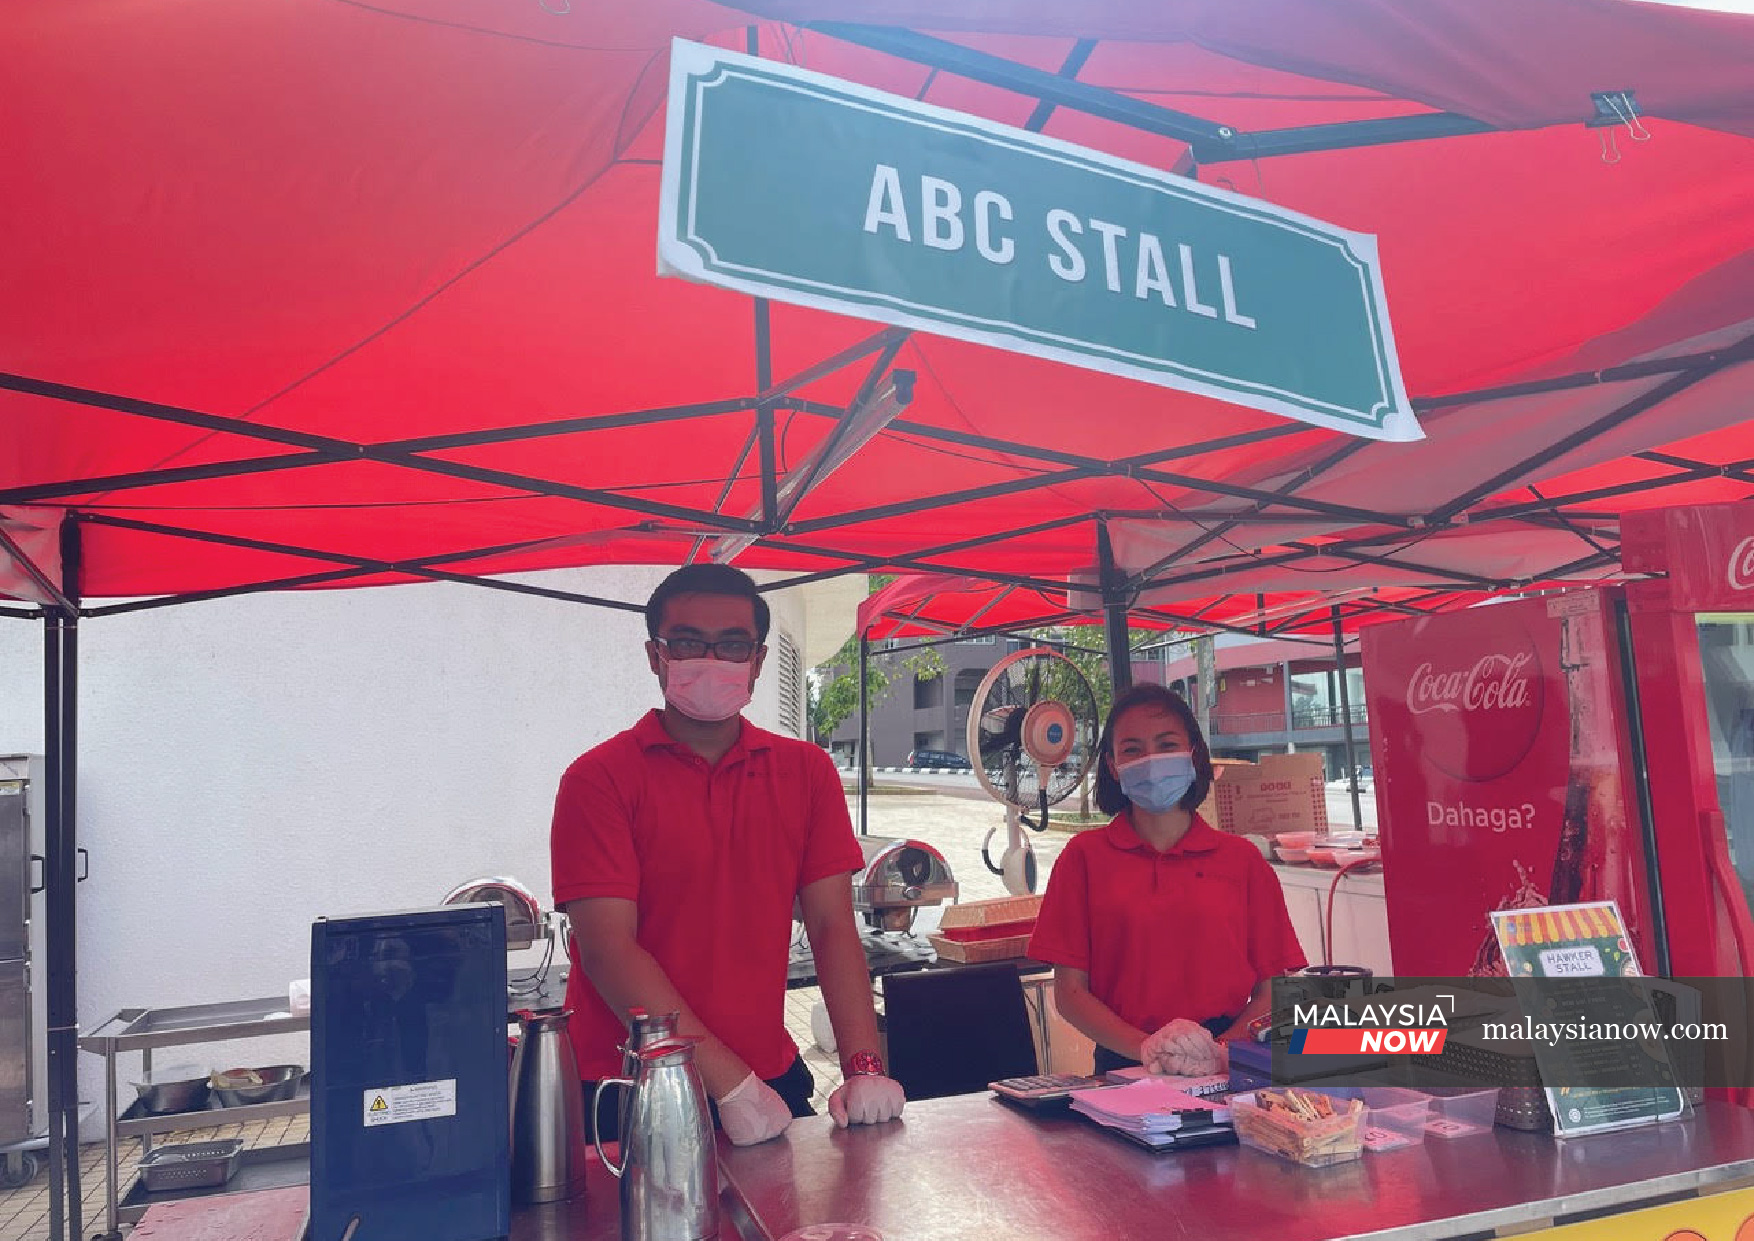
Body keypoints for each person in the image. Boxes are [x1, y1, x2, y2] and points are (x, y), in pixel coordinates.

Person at [550, 564, 905, 1145]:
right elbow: (608, 949)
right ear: (655, 654)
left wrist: (864, 1068)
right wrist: (729, 1085)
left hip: (770, 1074)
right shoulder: (598, 779)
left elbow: (831, 924)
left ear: (759, 660)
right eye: (688, 641)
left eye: (733, 644)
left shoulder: (806, 773)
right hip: (626, 1088)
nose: (710, 658)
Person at [1027, 684, 1306, 1076]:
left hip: (1226, 1061)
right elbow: (1071, 994)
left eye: (1166, 744)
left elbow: (1274, 988)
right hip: (1123, 1065)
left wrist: (1217, 1051)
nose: (1151, 760)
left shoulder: (1242, 860)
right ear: (1112, 765)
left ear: (1193, 753)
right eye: (1133, 750)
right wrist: (1147, 1049)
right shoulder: (1082, 858)